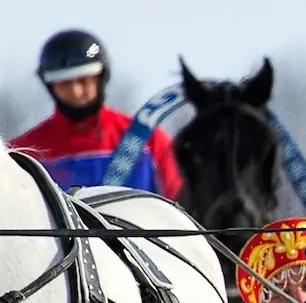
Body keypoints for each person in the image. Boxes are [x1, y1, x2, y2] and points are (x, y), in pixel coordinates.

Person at [10, 29, 185, 198]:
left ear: (100, 77)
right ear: (50, 85)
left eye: (83, 80)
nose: (76, 92)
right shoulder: (24, 152)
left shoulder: (147, 140)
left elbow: (181, 210)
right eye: (64, 83)